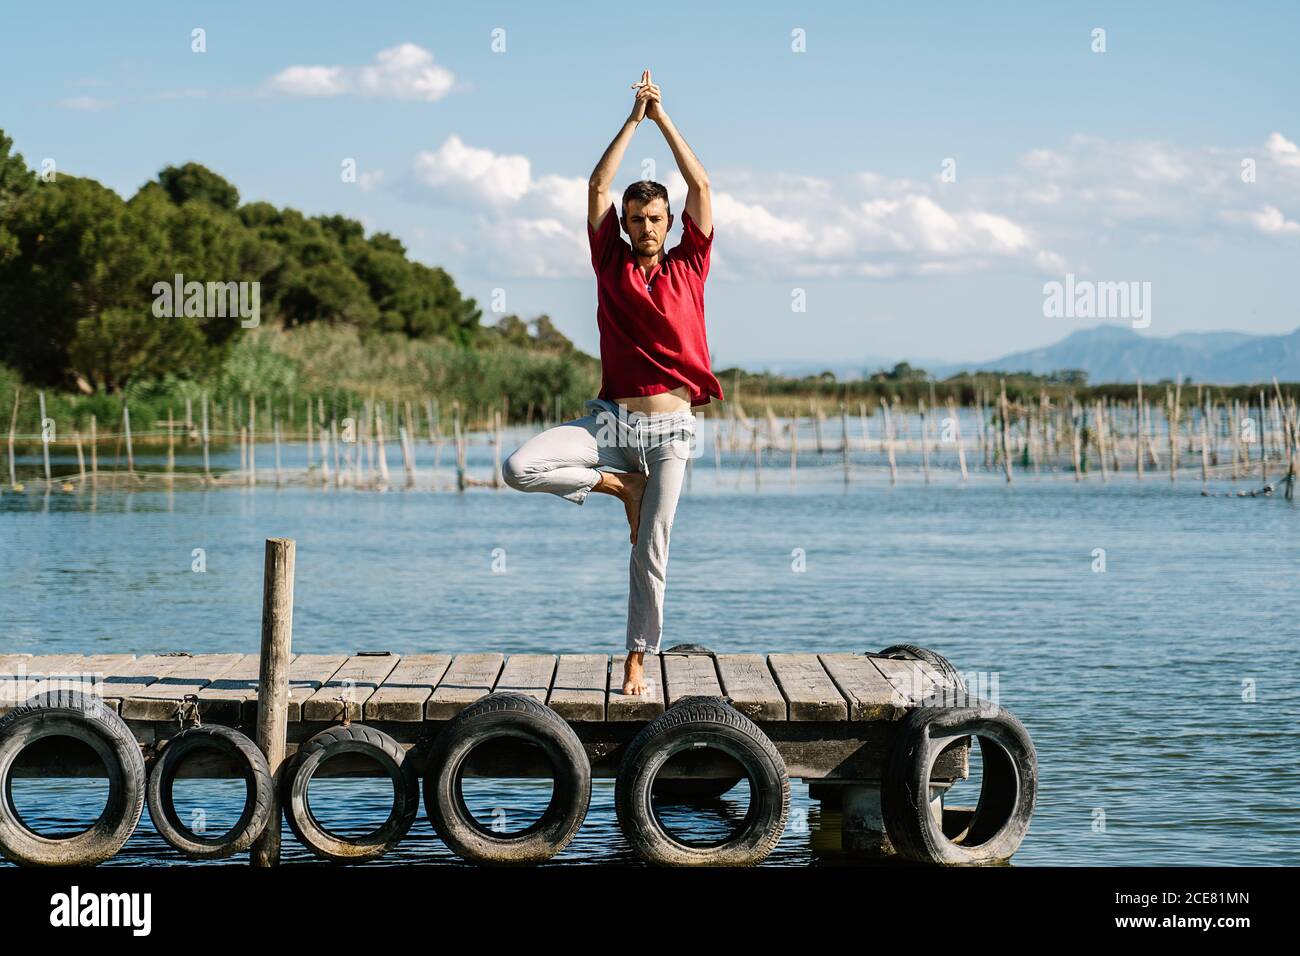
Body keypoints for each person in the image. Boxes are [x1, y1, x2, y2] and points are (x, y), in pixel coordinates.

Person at [502, 69, 723, 695]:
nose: (646, 226)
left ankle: (636, 659)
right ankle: (618, 486)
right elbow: (598, 183)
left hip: (672, 431)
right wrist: (632, 119)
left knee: (650, 550)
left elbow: (702, 182)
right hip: (607, 424)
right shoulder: (610, 262)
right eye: (636, 218)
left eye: (656, 217)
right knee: (520, 467)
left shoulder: (691, 264)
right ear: (624, 224)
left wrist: (664, 117)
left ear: (669, 221)